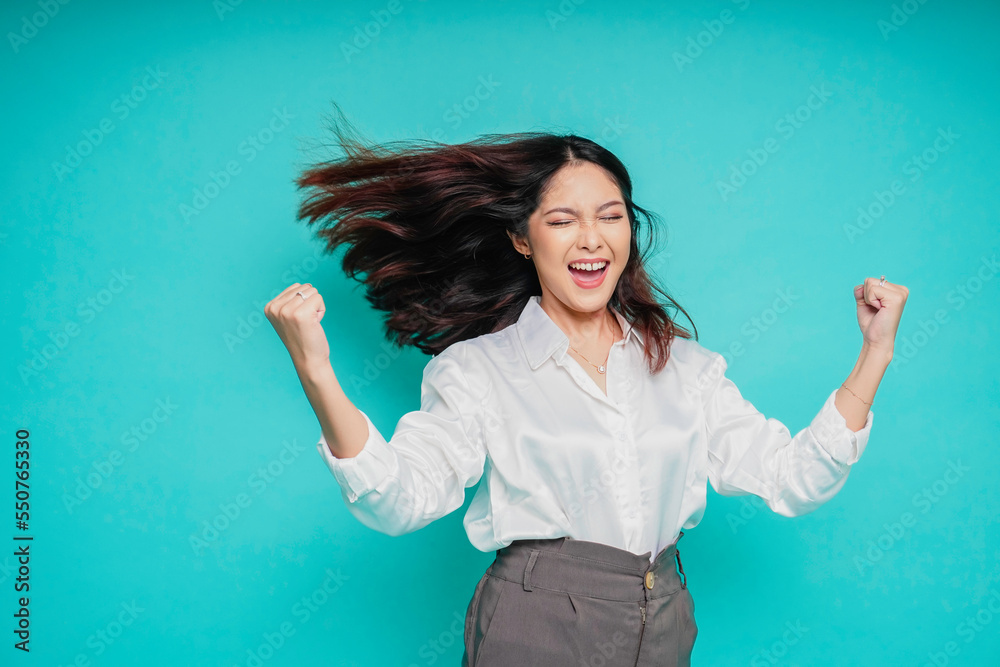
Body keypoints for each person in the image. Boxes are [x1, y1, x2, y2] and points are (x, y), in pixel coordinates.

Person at [264, 110, 908, 666]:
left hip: (663, 619)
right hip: (536, 625)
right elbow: (399, 500)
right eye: (562, 220)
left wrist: (874, 354)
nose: (592, 239)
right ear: (521, 238)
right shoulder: (477, 371)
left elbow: (794, 479)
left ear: (630, 230)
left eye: (610, 216)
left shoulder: (687, 368)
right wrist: (317, 374)